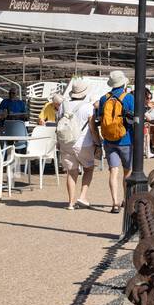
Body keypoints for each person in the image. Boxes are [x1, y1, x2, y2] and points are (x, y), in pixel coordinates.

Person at [94, 70, 135, 215]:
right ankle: (127, 200)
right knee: (127, 172)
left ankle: (115, 203)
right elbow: (135, 118)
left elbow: (99, 118)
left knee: (113, 172)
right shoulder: (129, 97)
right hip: (126, 139)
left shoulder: (104, 98)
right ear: (123, 83)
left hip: (109, 140)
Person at [56, 79, 97, 210]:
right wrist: (98, 143)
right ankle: (83, 196)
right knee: (88, 169)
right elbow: (92, 127)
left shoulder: (63, 104)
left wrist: (58, 141)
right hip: (83, 142)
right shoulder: (88, 107)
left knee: (71, 172)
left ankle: (71, 202)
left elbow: (59, 123)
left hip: (66, 142)